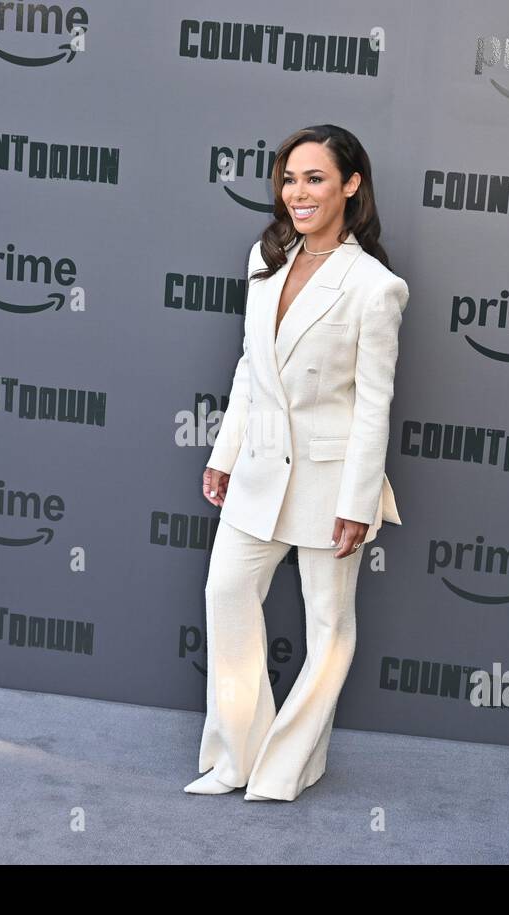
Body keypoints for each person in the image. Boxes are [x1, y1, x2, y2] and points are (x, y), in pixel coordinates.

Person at [188, 124, 409, 802]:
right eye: (289, 178)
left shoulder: (375, 287)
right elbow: (252, 368)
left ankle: (291, 763)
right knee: (226, 593)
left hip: (329, 480)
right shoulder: (265, 259)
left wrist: (357, 499)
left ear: (350, 185)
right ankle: (238, 754)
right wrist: (226, 451)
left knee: (328, 627)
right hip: (259, 468)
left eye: (315, 178)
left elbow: (374, 405)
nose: (298, 192)